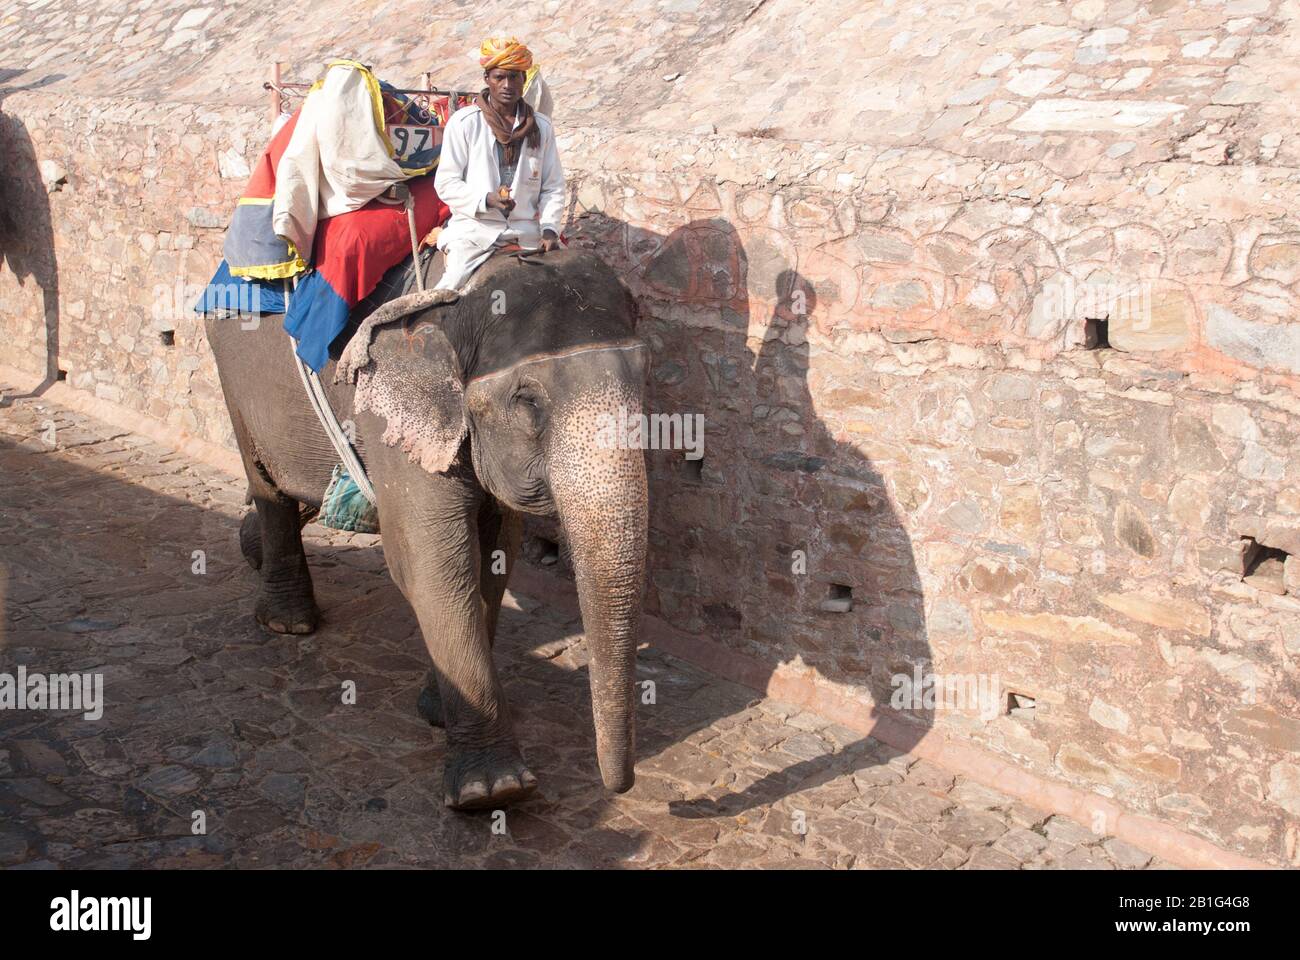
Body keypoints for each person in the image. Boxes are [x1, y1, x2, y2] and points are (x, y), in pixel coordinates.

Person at [431, 36, 565, 296]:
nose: (507, 85)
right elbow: (446, 183)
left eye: (514, 77)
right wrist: (487, 200)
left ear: (524, 81)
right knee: (450, 289)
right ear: (487, 79)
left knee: (568, 291)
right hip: (475, 231)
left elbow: (553, 186)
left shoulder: (542, 127)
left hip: (525, 233)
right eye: (500, 77)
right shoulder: (464, 123)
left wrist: (549, 229)